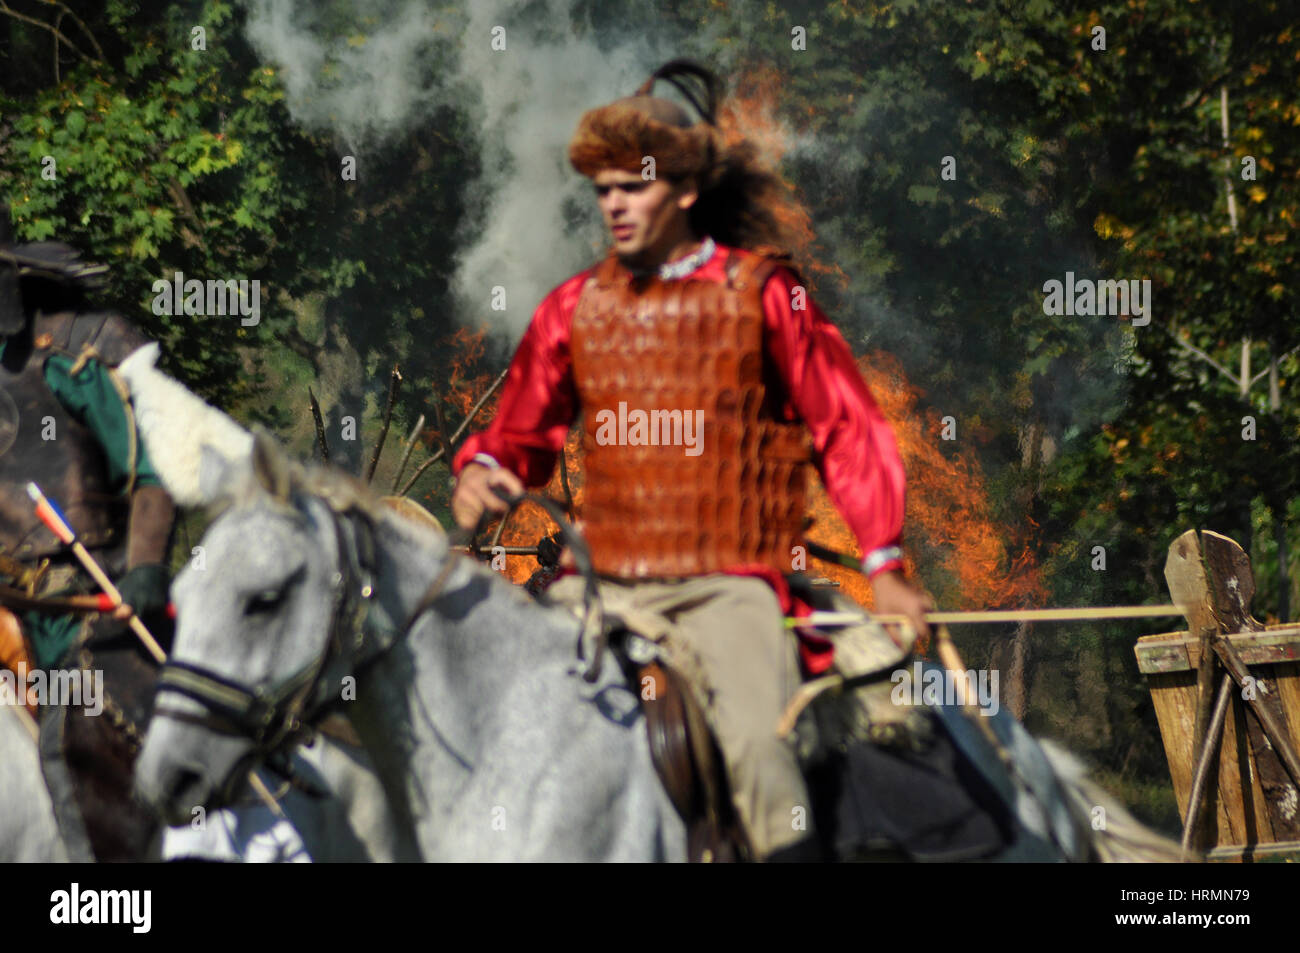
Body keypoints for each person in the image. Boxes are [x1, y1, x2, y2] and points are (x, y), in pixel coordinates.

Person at [450, 60, 930, 861]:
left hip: (728, 584)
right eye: (601, 189)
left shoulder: (764, 295)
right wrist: (485, 469)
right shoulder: (575, 310)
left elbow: (848, 426)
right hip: (600, 587)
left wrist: (882, 560)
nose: (612, 204)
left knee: (757, 743)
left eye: (629, 187)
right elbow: (520, 435)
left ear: (681, 191)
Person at [0, 207, 175, 689]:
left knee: (79, 732)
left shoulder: (69, 357)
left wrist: (145, 568)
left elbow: (151, 466)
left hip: (78, 601)